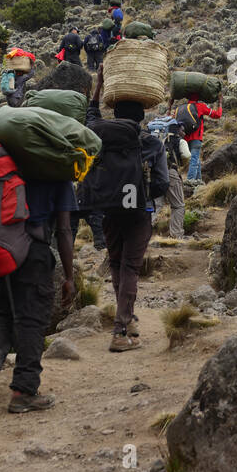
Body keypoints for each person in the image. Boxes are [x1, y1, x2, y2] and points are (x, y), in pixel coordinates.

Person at [79, 65, 169, 351]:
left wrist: (99, 85)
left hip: (107, 208)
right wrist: (143, 196)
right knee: (130, 266)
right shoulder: (149, 141)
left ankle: (127, 320)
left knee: (117, 264)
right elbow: (162, 182)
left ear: (115, 113)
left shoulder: (97, 133)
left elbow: (89, 115)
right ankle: (120, 332)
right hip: (137, 210)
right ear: (142, 116)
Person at [0, 176, 76, 413]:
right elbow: (64, 228)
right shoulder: (55, 167)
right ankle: (24, 391)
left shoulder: (3, 165)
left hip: (0, 250)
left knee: (3, 317)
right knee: (32, 320)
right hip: (33, 253)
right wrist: (69, 276)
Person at [150, 115, 190, 239]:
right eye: (182, 130)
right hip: (170, 172)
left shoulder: (155, 140)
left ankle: (142, 231)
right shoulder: (179, 141)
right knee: (178, 205)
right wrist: (181, 163)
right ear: (177, 129)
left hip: (154, 173)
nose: (184, 132)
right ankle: (176, 235)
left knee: (156, 204)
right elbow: (187, 155)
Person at [179, 91, 223, 186]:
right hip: (196, 138)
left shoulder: (181, 108)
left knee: (196, 159)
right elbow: (217, 115)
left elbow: (171, 119)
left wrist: (169, 107)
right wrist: (220, 103)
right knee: (194, 159)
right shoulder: (200, 106)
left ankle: (199, 182)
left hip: (184, 138)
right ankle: (190, 181)